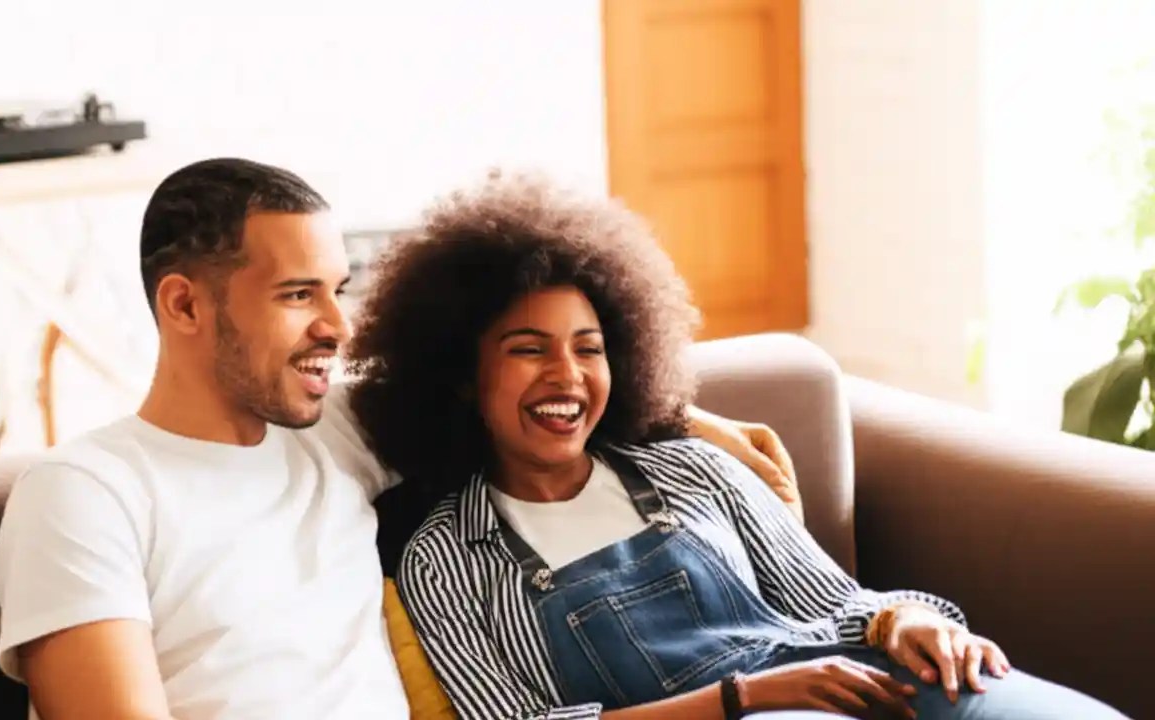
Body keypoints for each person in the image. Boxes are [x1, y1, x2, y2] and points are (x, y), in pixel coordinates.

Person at [0, 157, 797, 720]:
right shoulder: (85, 491)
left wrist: (689, 419)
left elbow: (519, 386)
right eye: (298, 294)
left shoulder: (335, 434)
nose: (337, 327)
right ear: (184, 306)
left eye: (337, 291)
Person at [344, 172, 1130, 720]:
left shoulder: (695, 469)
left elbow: (836, 604)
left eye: (589, 347)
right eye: (528, 349)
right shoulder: (445, 555)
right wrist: (744, 699)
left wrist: (914, 624)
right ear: (458, 377)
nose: (568, 376)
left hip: (864, 679)